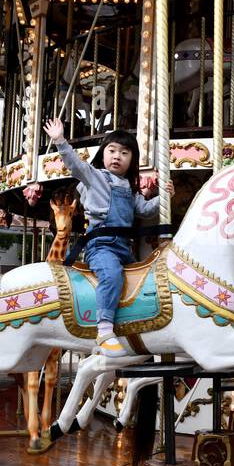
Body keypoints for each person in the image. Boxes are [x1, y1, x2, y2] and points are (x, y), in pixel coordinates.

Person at [43, 115, 173, 356]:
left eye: (124, 153)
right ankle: (104, 330)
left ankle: (137, 328)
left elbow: (144, 210)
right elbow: (75, 165)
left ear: (131, 159)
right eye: (112, 150)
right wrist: (60, 140)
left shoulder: (128, 187)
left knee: (144, 284)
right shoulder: (95, 177)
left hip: (125, 247)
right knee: (111, 275)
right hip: (101, 246)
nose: (117, 156)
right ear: (103, 154)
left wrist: (163, 197)